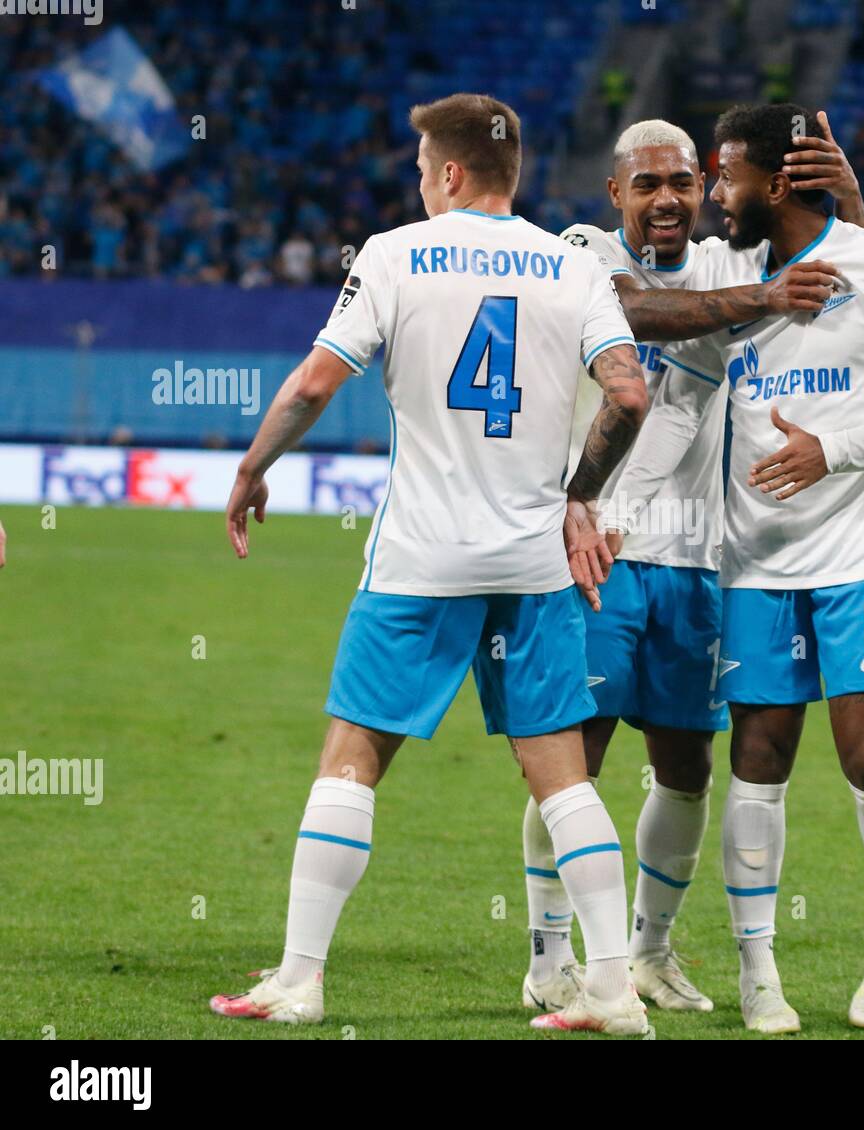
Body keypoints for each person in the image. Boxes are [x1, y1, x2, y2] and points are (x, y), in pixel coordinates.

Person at [209, 94, 652, 1035]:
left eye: (421, 165)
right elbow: (629, 393)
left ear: (449, 173)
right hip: (532, 558)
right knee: (563, 778)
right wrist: (579, 494)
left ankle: (299, 979)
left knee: (352, 758)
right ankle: (614, 990)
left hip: (421, 554)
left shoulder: (393, 254)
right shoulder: (572, 267)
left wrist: (253, 469)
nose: (418, 180)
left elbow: (316, 382)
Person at [604, 103, 864, 1033]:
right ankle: (759, 975)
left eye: (724, 177)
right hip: (754, 561)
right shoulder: (739, 282)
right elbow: (656, 329)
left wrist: (829, 453)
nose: (714, 196)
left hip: (862, 552)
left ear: (776, 183)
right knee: (756, 765)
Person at [518, 114, 864, 1015]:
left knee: (686, 768)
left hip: (699, 559)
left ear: (705, 185)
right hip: (594, 548)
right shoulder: (579, 250)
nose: (667, 199)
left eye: (684, 181)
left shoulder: (728, 259)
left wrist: (851, 197)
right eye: (647, 184)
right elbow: (639, 314)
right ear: (616, 194)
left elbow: (849, 281)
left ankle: (649, 952)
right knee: (576, 759)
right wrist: (763, 300)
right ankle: (549, 954)